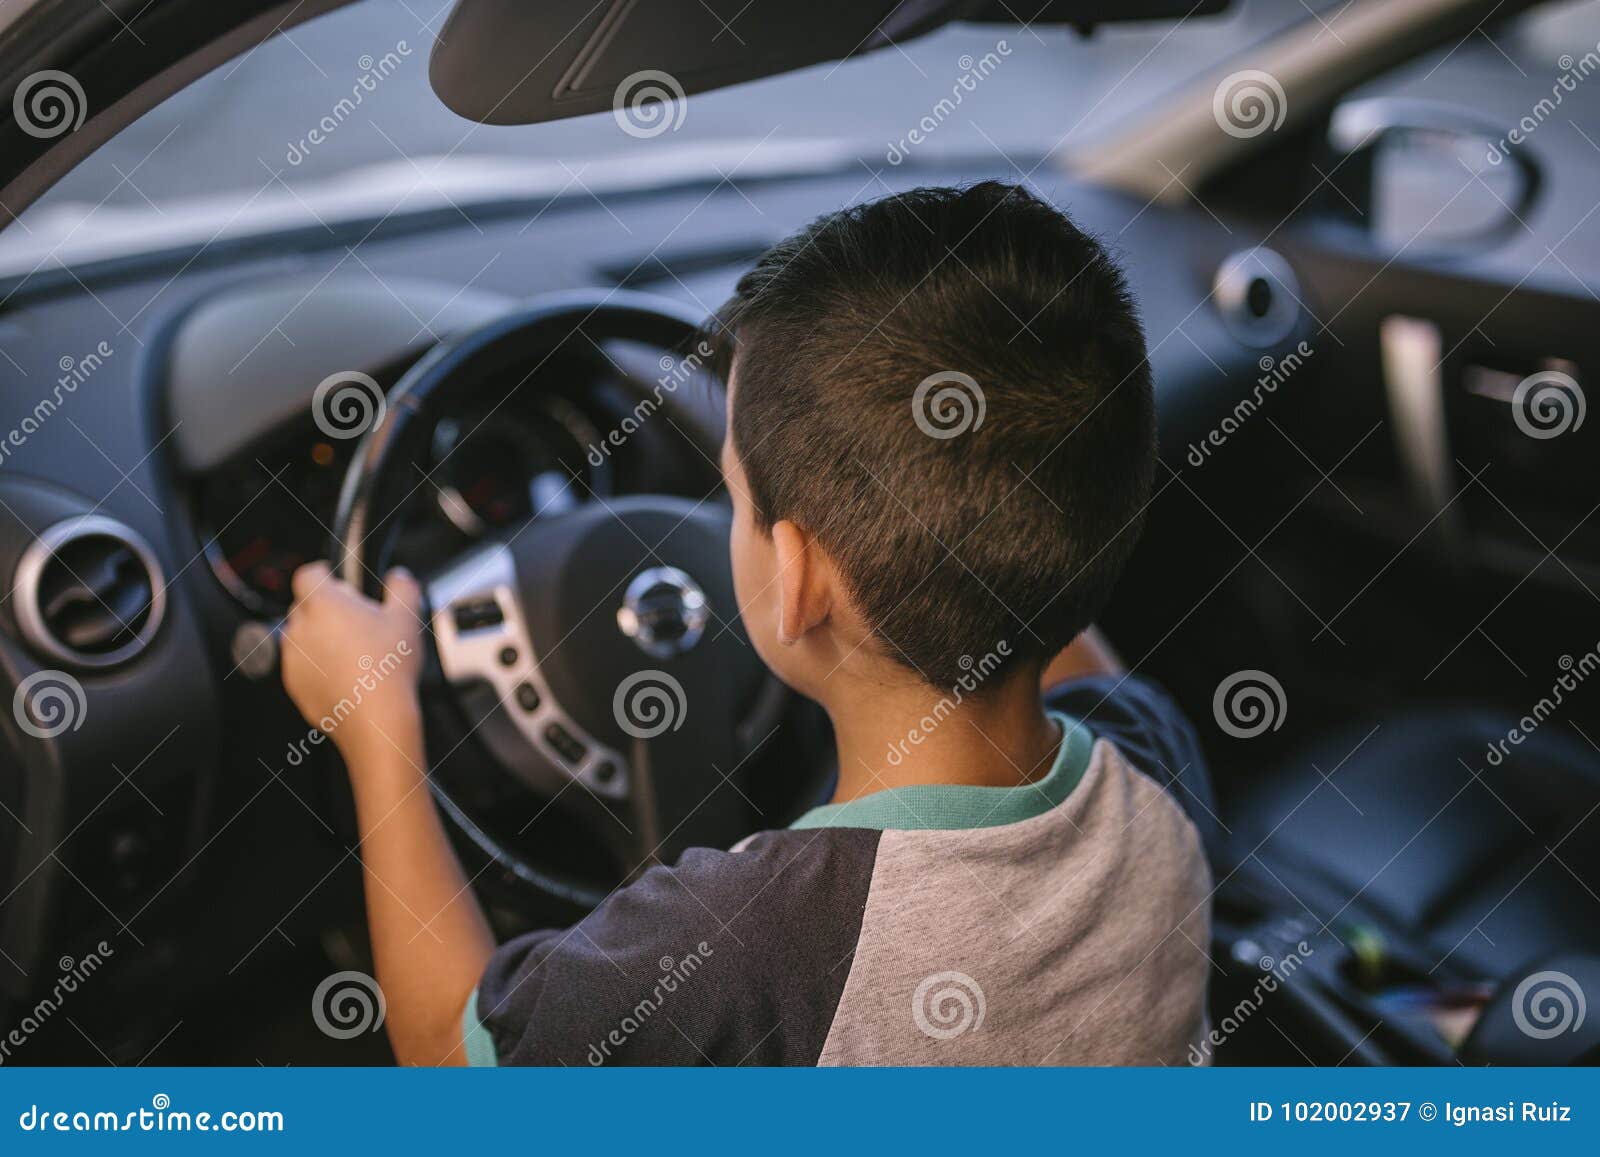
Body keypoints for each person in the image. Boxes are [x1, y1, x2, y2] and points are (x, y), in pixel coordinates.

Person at [281, 181, 1219, 1066]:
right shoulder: (1153, 761)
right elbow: (1054, 601)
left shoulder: (750, 944)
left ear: (798, 574)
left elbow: (453, 1053)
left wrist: (377, 726)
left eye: (731, 494)